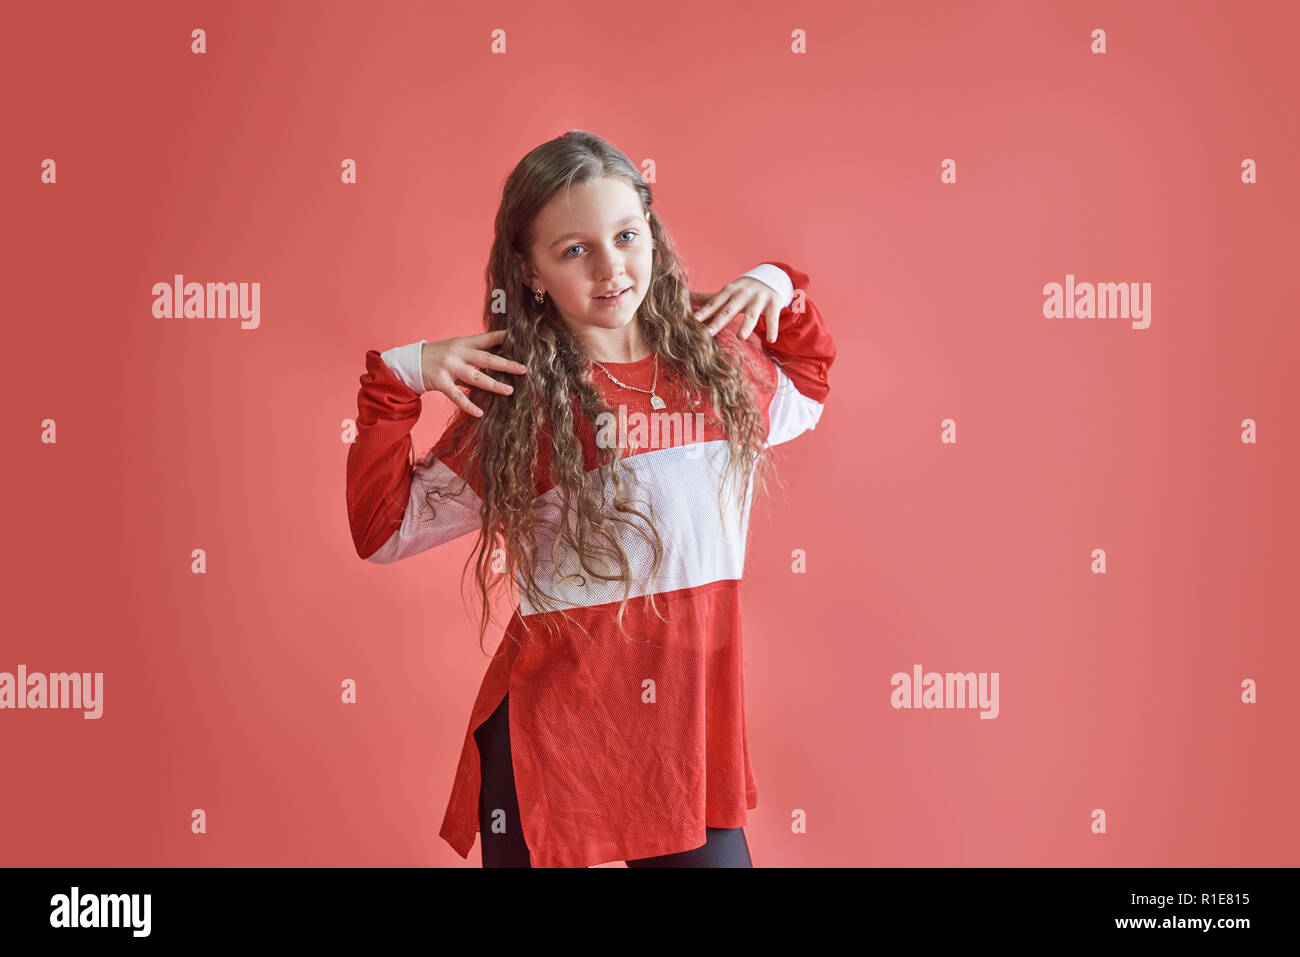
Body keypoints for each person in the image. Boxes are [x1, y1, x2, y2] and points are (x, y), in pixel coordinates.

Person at [346, 130, 835, 867]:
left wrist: (778, 282)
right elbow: (384, 530)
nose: (612, 268)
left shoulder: (719, 370)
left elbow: (808, 384)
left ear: (653, 235)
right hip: (552, 747)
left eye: (626, 236)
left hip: (682, 746)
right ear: (530, 273)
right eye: (574, 250)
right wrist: (400, 374)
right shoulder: (518, 406)